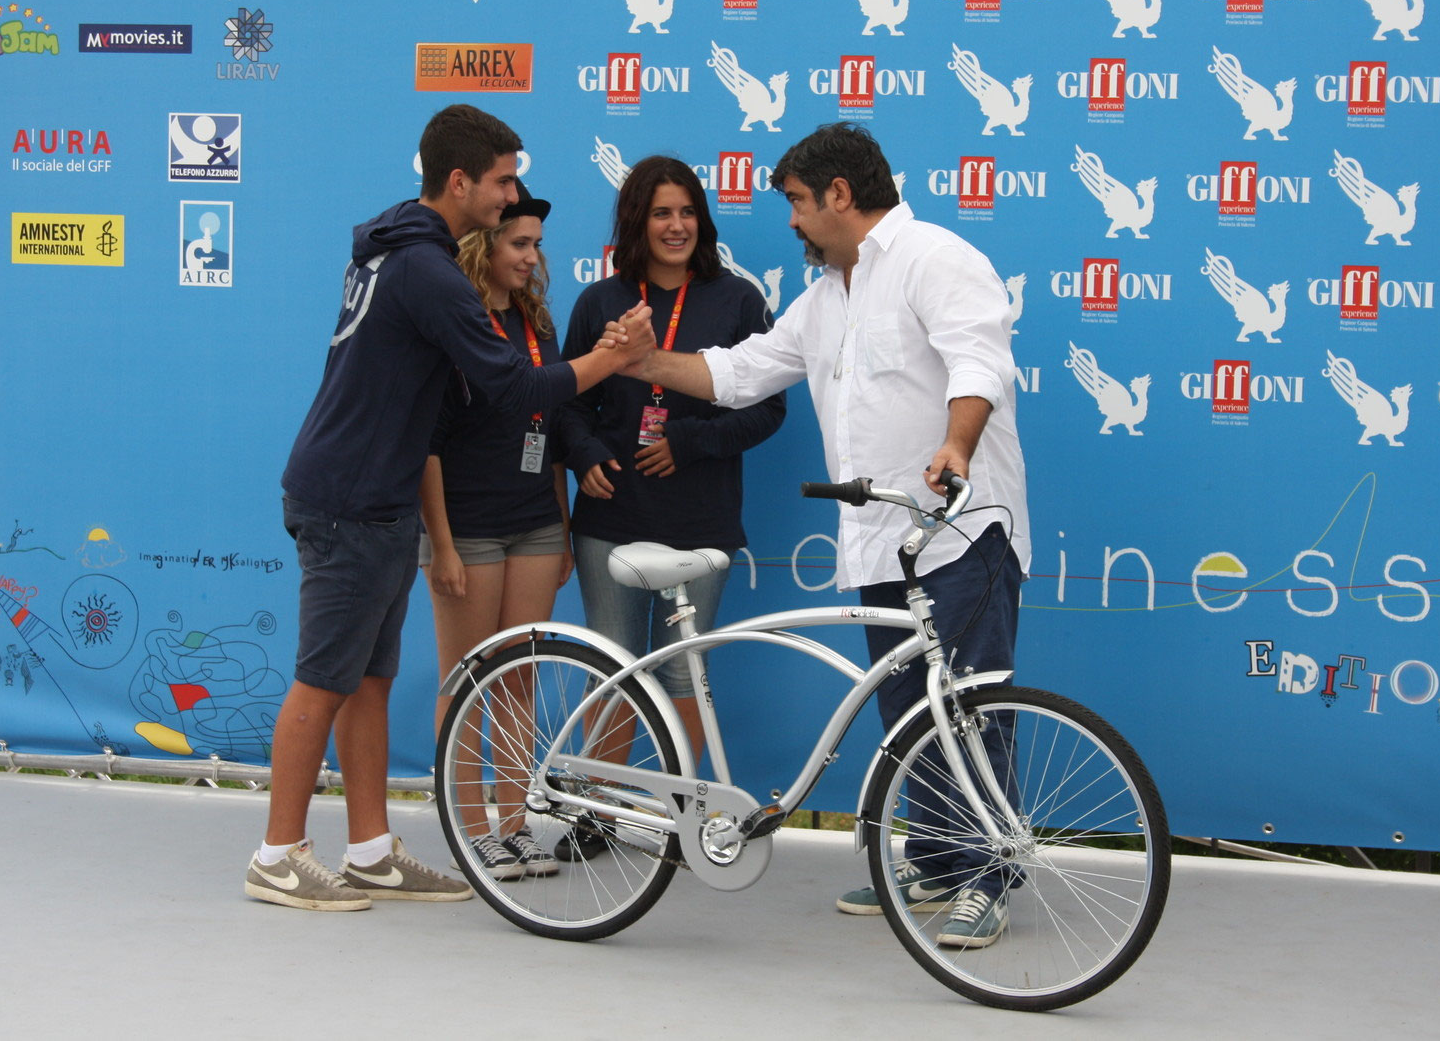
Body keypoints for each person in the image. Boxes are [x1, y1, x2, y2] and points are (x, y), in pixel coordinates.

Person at [606, 123, 1030, 948]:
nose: (793, 220)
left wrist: (957, 445)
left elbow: (979, 362)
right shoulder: (828, 293)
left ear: (840, 193)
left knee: (968, 709)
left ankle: (987, 875)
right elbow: (743, 371)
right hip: (881, 540)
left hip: (960, 533)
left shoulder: (937, 258)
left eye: (799, 201)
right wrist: (649, 363)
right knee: (907, 714)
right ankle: (937, 859)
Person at [247, 104, 651, 911]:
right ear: (460, 182)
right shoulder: (426, 269)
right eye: (503, 182)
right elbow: (512, 386)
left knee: (370, 680)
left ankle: (370, 850)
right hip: (348, 499)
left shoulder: (403, 247)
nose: (513, 197)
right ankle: (277, 853)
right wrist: (611, 357)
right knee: (324, 682)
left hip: (379, 498)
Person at [555, 156, 786, 843]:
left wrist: (689, 442)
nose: (677, 225)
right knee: (614, 668)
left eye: (687, 212)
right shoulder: (600, 301)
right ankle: (596, 813)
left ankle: (683, 815)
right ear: (637, 221)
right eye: (662, 213)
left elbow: (768, 408)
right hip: (612, 515)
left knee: (684, 671)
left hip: (699, 517)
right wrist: (585, 453)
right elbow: (566, 400)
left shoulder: (737, 299)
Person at [419, 181, 569, 882]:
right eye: (519, 243)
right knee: (466, 678)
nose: (531, 257)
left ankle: (515, 826)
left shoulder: (536, 320)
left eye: (536, 245)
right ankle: (470, 830)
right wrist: (443, 544)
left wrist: (562, 520)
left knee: (518, 676)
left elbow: (552, 430)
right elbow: (427, 446)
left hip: (535, 523)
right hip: (468, 528)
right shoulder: (456, 320)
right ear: (485, 244)